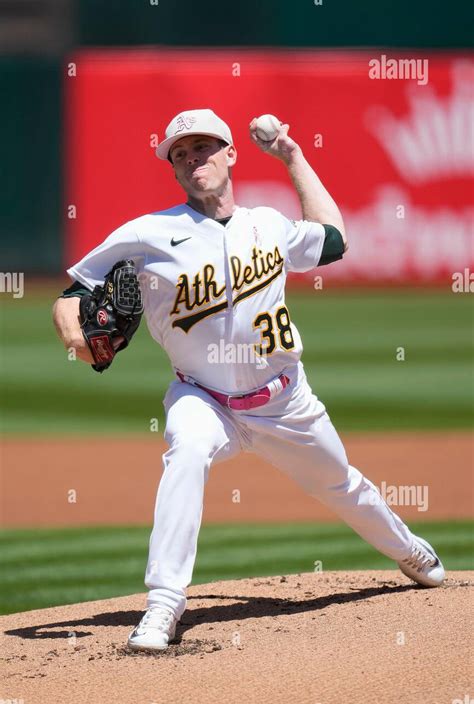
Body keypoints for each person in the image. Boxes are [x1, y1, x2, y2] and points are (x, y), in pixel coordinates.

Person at [52, 108, 445, 652]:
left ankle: (409, 550)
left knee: (340, 483)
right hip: (202, 396)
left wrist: (292, 156)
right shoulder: (149, 233)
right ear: (173, 168)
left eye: (205, 148)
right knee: (186, 452)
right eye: (181, 154)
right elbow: (71, 295)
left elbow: (333, 239)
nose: (194, 160)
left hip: (285, 402)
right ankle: (164, 604)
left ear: (231, 154)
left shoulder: (269, 224)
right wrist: (77, 337)